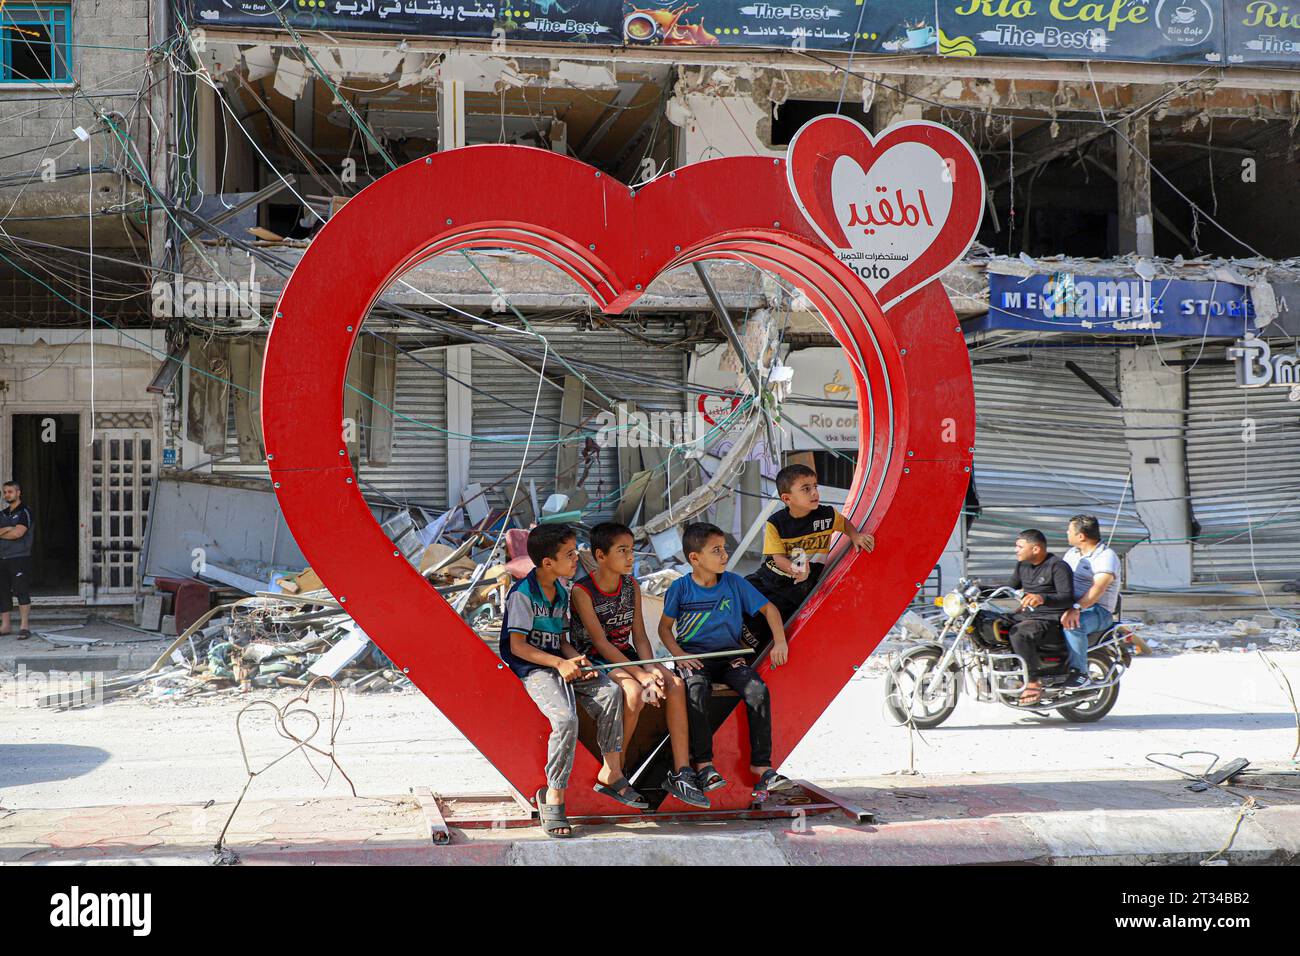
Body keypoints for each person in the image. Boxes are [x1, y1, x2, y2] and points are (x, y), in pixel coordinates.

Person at [499, 523, 640, 838]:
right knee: (565, 719)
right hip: (533, 669)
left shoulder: (561, 592)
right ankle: (555, 797)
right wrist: (559, 663)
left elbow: (561, 640)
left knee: (610, 692)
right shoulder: (522, 595)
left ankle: (611, 771)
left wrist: (577, 659)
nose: (577, 559)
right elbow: (518, 647)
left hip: (559, 662)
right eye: (570, 554)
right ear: (548, 563)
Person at [570, 522, 710, 809]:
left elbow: (641, 637)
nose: (631, 557)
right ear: (600, 556)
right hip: (596, 657)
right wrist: (642, 675)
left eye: (631, 550)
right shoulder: (582, 591)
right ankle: (615, 769)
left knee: (675, 683)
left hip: (629, 654)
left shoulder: (631, 585)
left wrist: (652, 669)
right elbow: (601, 643)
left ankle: (681, 772)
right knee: (634, 693)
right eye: (622, 551)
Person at [658, 522, 795, 795]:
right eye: (716, 550)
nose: (724, 556)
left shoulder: (734, 583)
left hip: (731, 658)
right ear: (695, 558)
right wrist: (680, 656)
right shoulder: (680, 589)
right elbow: (664, 629)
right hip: (694, 658)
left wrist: (780, 641)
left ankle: (762, 768)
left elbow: (770, 610)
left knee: (757, 690)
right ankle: (704, 766)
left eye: (724, 549)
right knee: (696, 690)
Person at [744, 463, 874, 649]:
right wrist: (793, 568)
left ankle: (747, 653)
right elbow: (778, 557)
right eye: (806, 489)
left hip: (793, 590)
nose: (814, 493)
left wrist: (856, 536)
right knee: (735, 594)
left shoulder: (827, 515)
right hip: (769, 577)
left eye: (815, 487)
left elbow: (844, 523)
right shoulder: (776, 523)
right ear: (787, 498)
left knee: (765, 623)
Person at [1006, 528, 1074, 705]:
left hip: (1050, 619)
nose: (1016, 550)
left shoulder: (1057, 566)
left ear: (1035, 549)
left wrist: (1042, 598)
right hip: (1028, 616)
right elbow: (1008, 589)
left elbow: (1067, 598)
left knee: (1018, 633)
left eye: (1020, 546)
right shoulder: (1023, 566)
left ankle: (1033, 681)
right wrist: (974, 590)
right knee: (994, 624)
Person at [1060, 514, 1121, 688]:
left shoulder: (1105, 556)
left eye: (1070, 530)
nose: (1067, 533)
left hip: (1098, 611)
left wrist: (1076, 608)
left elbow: (1097, 589)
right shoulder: (1072, 554)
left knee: (1073, 625)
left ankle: (1080, 673)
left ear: (1081, 536)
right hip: (1073, 605)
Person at [0, 481, 34, 640]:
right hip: (2, 557)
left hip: (19, 557)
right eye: (5, 492)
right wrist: (9, 528)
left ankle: (24, 626)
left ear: (18, 492)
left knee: (21, 591)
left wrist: (5, 531)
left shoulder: (25, 511)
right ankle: (5, 626)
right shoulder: (2, 513)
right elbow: (12, 532)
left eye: (10, 492)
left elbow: (18, 534)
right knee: (2, 591)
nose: (7, 494)